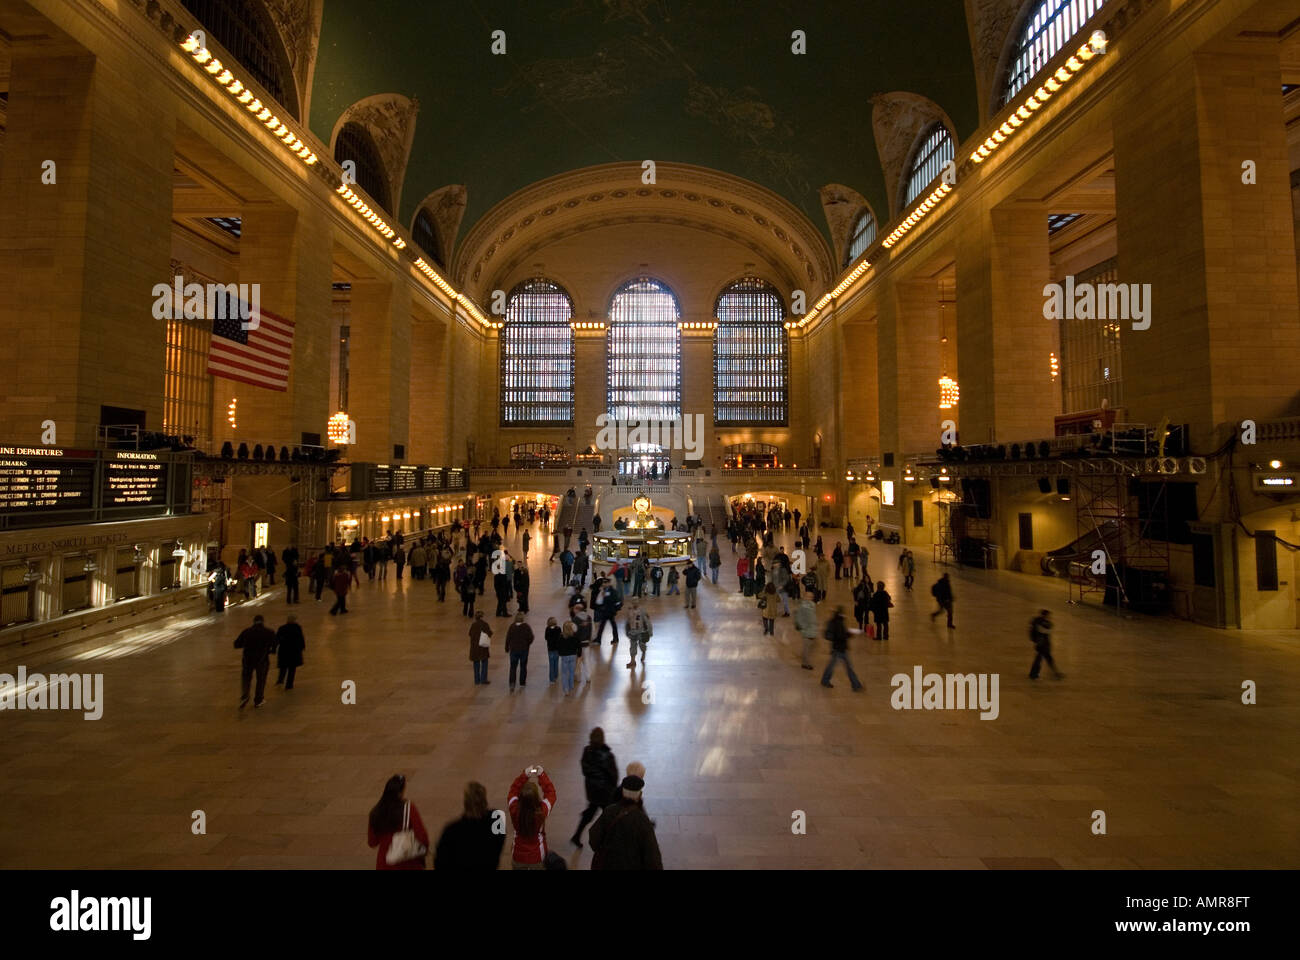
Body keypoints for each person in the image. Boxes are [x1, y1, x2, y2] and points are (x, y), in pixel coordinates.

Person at [589, 774, 663, 871]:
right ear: (639, 795)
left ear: (623, 793)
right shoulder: (642, 819)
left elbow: (593, 839)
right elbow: (652, 856)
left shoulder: (609, 811)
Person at [434, 781, 503, 870]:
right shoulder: (496, 820)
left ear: (465, 802)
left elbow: (440, 863)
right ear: (484, 800)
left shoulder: (452, 831)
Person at [367, 774, 429, 870]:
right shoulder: (409, 808)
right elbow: (421, 835)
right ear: (401, 792)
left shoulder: (375, 812)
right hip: (407, 862)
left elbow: (372, 842)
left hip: (385, 863)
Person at [572, 727, 619, 848]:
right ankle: (607, 840)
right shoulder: (608, 756)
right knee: (609, 815)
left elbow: (585, 770)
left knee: (589, 813)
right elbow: (614, 776)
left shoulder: (586, 751)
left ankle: (577, 836)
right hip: (606, 793)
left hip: (592, 792)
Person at [506, 766, 557, 870]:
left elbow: (513, 791)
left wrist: (524, 775)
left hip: (518, 856)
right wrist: (542, 775)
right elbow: (551, 793)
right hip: (537, 856)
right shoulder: (542, 810)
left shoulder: (514, 808)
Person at [234, 614, 276, 708]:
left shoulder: (246, 631)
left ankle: (245, 696)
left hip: (247, 659)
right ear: (263, 621)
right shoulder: (269, 632)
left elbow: (236, 644)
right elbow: (274, 645)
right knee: (261, 680)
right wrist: (269, 650)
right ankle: (258, 699)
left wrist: (246, 645)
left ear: (253, 622)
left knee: (246, 678)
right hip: (262, 660)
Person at [820, 607, 863, 692]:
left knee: (832, 666)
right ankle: (856, 685)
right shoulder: (839, 622)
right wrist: (850, 634)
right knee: (848, 667)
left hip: (837, 648)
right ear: (841, 613)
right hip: (840, 648)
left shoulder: (835, 621)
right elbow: (840, 636)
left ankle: (825, 680)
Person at [1029, 609, 1064, 680]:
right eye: (1048, 615)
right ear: (1044, 615)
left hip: (1043, 644)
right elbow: (1044, 630)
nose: (1050, 617)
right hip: (1042, 644)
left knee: (1045, 659)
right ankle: (1034, 674)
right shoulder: (1040, 622)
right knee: (1041, 659)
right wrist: (1049, 629)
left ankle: (1054, 673)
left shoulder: (1039, 621)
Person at [274, 613, 305, 689]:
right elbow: (301, 638)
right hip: (294, 652)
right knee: (292, 669)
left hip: (284, 651)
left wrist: (273, 649)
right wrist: (302, 647)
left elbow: (277, 639)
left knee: (283, 667)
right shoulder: (297, 628)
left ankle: (280, 681)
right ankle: (289, 685)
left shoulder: (282, 628)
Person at [505, 612, 534, 693]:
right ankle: (522, 682)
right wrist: (527, 644)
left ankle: (512, 684)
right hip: (524, 650)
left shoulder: (512, 626)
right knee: (523, 666)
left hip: (514, 650)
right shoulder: (526, 627)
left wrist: (507, 647)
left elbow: (508, 638)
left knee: (513, 667)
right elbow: (531, 637)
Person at [625, 600, 652, 669]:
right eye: (633, 602)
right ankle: (633, 661)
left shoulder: (642, 610)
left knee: (641, 645)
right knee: (633, 646)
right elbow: (627, 621)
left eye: (636, 602)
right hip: (633, 631)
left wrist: (649, 630)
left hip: (641, 631)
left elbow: (647, 620)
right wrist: (627, 631)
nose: (635, 603)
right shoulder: (629, 611)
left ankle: (643, 652)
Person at [794, 596, 818, 670]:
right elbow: (798, 618)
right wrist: (804, 627)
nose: (810, 598)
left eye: (811, 596)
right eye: (808, 596)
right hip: (807, 630)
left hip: (811, 630)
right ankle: (805, 663)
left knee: (810, 646)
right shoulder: (803, 607)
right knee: (806, 648)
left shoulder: (812, 605)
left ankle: (805, 660)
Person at [557, 620, 581, 695]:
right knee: (571, 672)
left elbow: (558, 646)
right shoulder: (575, 636)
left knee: (564, 673)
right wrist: (579, 655)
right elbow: (579, 646)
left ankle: (566, 689)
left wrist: (560, 653)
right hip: (573, 656)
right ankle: (571, 686)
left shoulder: (561, 637)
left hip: (564, 657)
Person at [470, 611, 492, 685]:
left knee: (476, 663)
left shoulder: (473, 625)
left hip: (475, 648)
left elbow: (470, 633)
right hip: (483, 647)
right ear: (482, 617)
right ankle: (483, 679)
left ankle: (477, 680)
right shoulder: (485, 624)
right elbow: (490, 633)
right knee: (484, 663)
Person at [544, 617, 562, 685]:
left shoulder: (547, 629)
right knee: (556, 663)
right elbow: (560, 637)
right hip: (557, 649)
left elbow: (546, 638)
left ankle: (552, 679)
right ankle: (556, 675)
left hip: (550, 649)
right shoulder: (558, 628)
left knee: (551, 664)